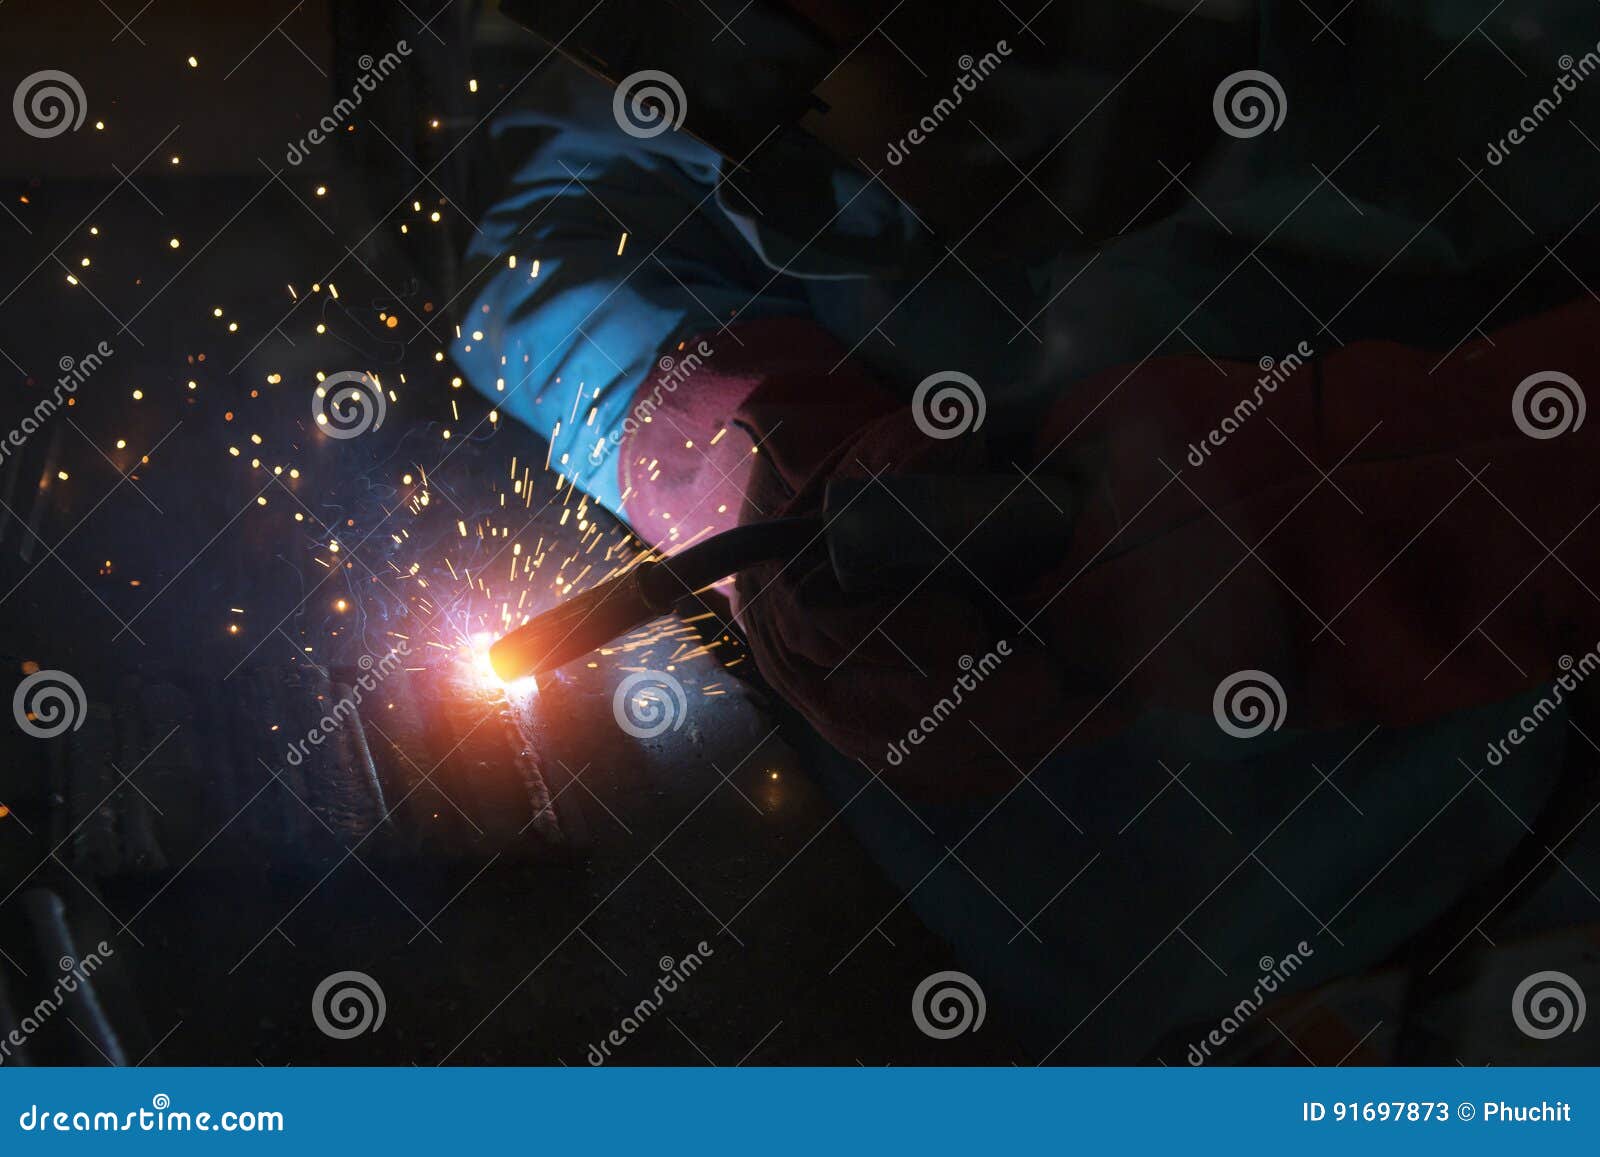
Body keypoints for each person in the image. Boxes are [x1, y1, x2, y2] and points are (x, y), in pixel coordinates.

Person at [452, 4, 1600, 1061]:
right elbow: (551, 226)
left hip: (1502, 896)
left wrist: (1399, 499)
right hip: (1035, 950)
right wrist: (727, 438)